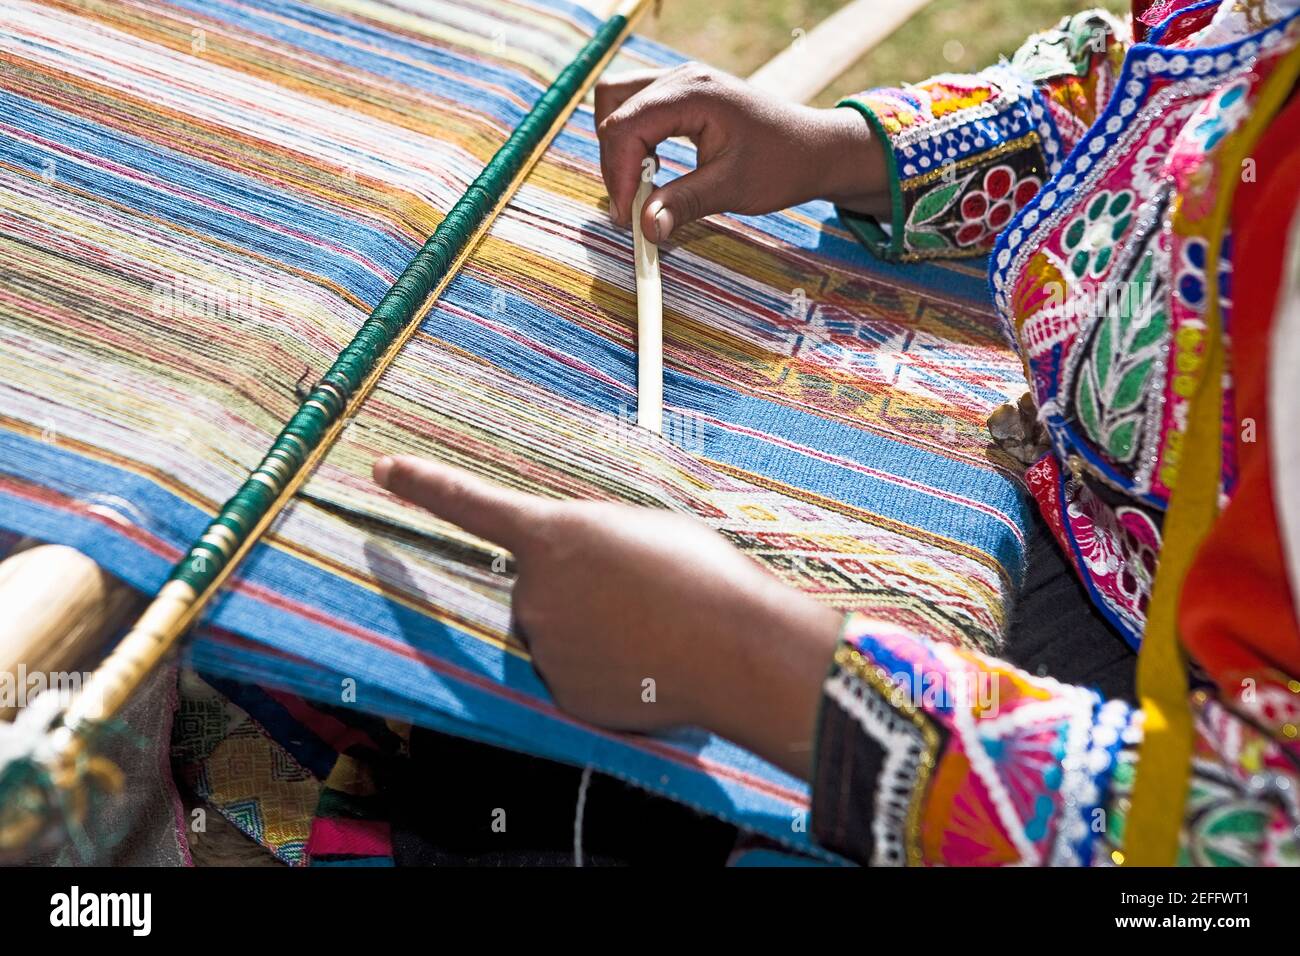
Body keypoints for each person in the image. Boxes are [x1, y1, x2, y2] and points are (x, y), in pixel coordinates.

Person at [375, 0, 1300, 866]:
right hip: (1107, 550)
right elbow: (1146, 88)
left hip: (1168, 702)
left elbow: (1258, 837)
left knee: (572, 786)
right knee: (505, 750)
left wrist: (764, 672)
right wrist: (846, 149)